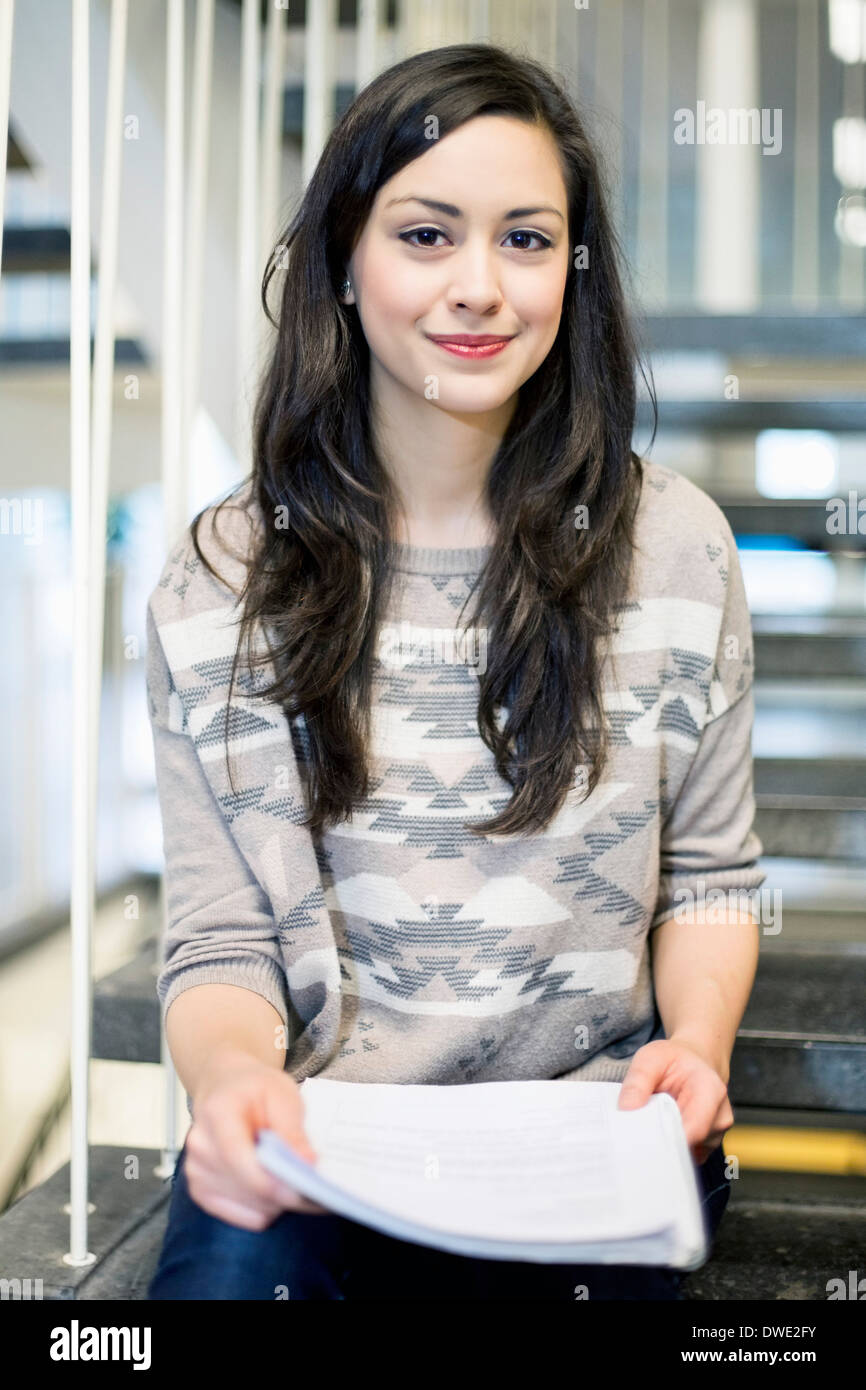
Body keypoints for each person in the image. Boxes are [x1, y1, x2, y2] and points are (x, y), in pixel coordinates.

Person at [146, 42, 764, 1301]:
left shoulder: (676, 547)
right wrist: (232, 1083)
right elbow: (217, 942)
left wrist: (693, 1045)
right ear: (344, 258)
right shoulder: (222, 575)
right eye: (426, 235)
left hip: (592, 1137)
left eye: (526, 240)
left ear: (571, 273)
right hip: (317, 1145)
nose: (479, 287)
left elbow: (708, 879)